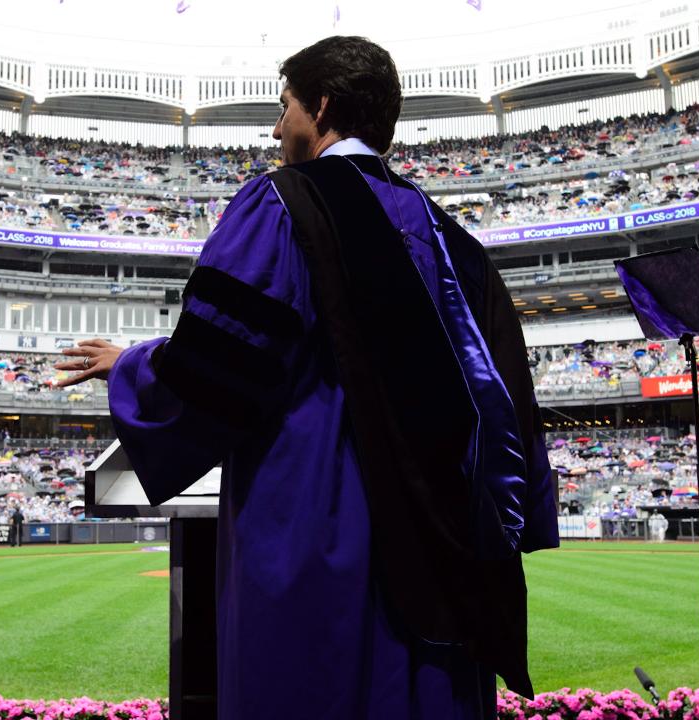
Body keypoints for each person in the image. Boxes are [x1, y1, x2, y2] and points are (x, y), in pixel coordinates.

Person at [54, 35, 557, 719]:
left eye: (284, 106)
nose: (275, 126)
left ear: (320, 107)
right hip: (448, 548)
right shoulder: (452, 241)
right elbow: (509, 407)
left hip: (318, 527)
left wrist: (134, 365)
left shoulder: (283, 207)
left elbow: (218, 366)